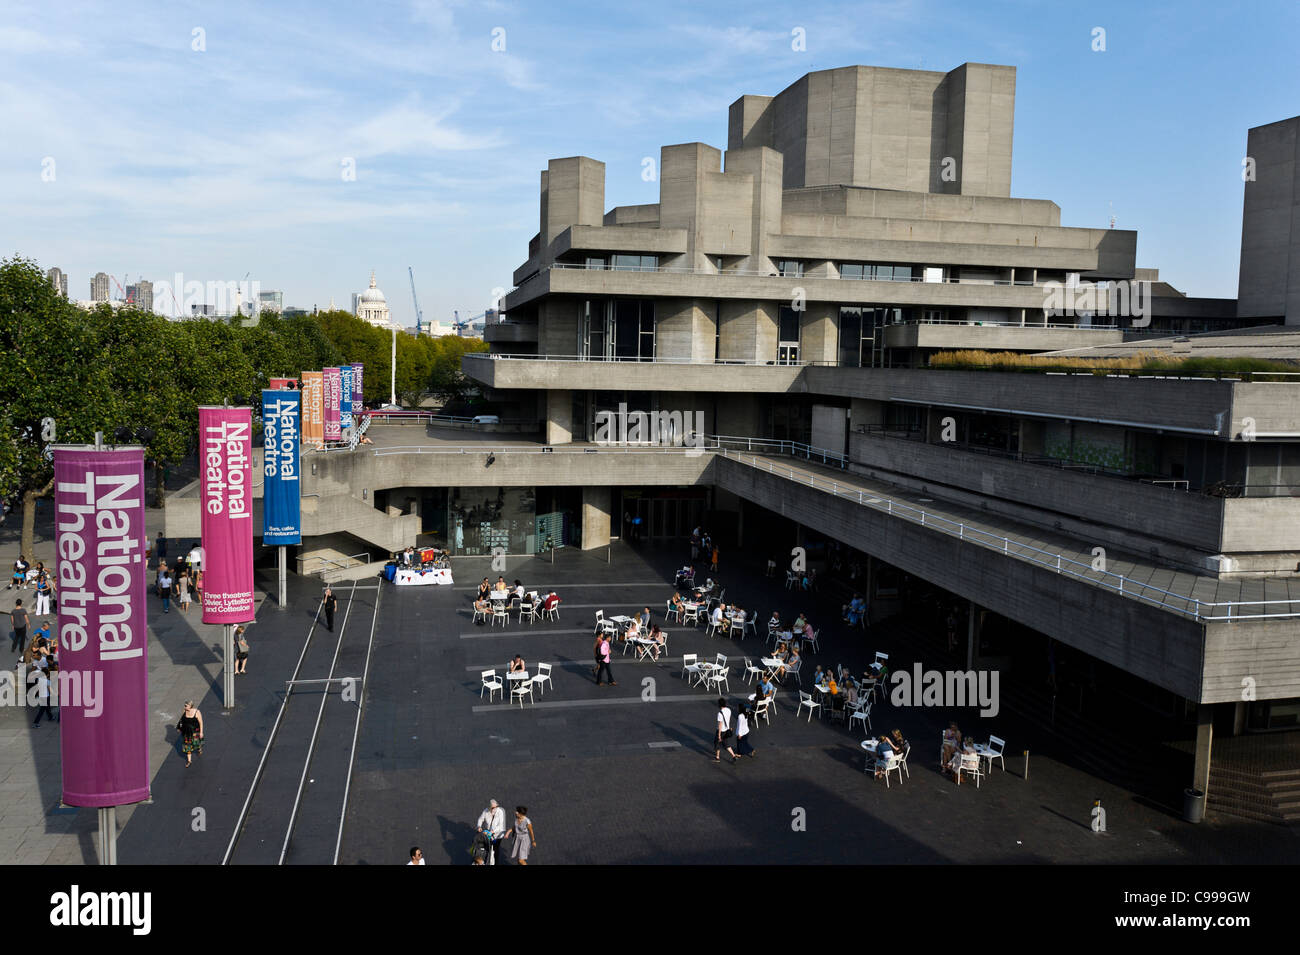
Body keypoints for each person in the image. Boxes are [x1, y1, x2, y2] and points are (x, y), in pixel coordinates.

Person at [476, 799, 507, 864]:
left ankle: (495, 862)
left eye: (496, 806)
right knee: (487, 848)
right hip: (488, 834)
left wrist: (492, 832)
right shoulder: (486, 811)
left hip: (497, 835)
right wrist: (479, 826)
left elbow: (501, 826)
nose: (495, 808)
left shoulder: (500, 812)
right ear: (489, 807)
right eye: (493, 807)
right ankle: (487, 861)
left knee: (495, 849)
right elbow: (480, 819)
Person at [178, 701, 204, 768]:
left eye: (186, 705)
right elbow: (181, 720)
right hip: (186, 733)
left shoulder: (197, 712)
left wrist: (201, 732)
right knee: (187, 747)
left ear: (190, 706)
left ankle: (199, 748)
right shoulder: (184, 711)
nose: (184, 707)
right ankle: (189, 761)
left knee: (196, 744)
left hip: (195, 732)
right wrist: (179, 728)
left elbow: (201, 723)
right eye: (184, 705)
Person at [714, 698, 740, 763]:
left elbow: (720, 724)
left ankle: (717, 757)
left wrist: (719, 734)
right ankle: (734, 756)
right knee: (726, 744)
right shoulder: (729, 710)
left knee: (717, 743)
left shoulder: (720, 713)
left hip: (721, 731)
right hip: (727, 730)